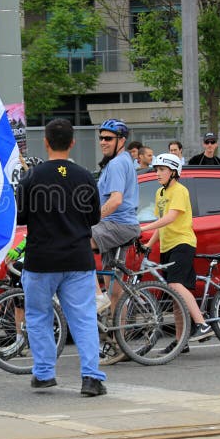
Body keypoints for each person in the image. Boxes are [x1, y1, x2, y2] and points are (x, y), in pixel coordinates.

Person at [16, 118, 106, 396]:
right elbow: (94, 217)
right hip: (78, 258)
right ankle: (91, 378)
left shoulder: (31, 177)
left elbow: (20, 216)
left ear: (45, 142)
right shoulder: (85, 177)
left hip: (41, 260)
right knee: (84, 318)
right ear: (72, 143)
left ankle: (44, 373)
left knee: (38, 316)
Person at [140, 154, 214, 353]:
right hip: (167, 246)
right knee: (175, 296)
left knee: (175, 285)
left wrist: (142, 228)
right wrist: (149, 244)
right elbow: (161, 223)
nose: (157, 173)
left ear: (173, 172)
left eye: (162, 170)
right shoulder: (160, 193)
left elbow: (171, 217)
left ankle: (202, 324)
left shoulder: (180, 191)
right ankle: (182, 342)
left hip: (182, 243)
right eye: (156, 170)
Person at [92, 118, 140, 311]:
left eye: (108, 138)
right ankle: (118, 328)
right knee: (114, 291)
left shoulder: (117, 164)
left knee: (77, 242)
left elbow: (115, 200)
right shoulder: (122, 161)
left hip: (117, 224)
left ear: (121, 140)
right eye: (101, 138)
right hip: (120, 224)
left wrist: (91, 218)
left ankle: (97, 296)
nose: (103, 142)